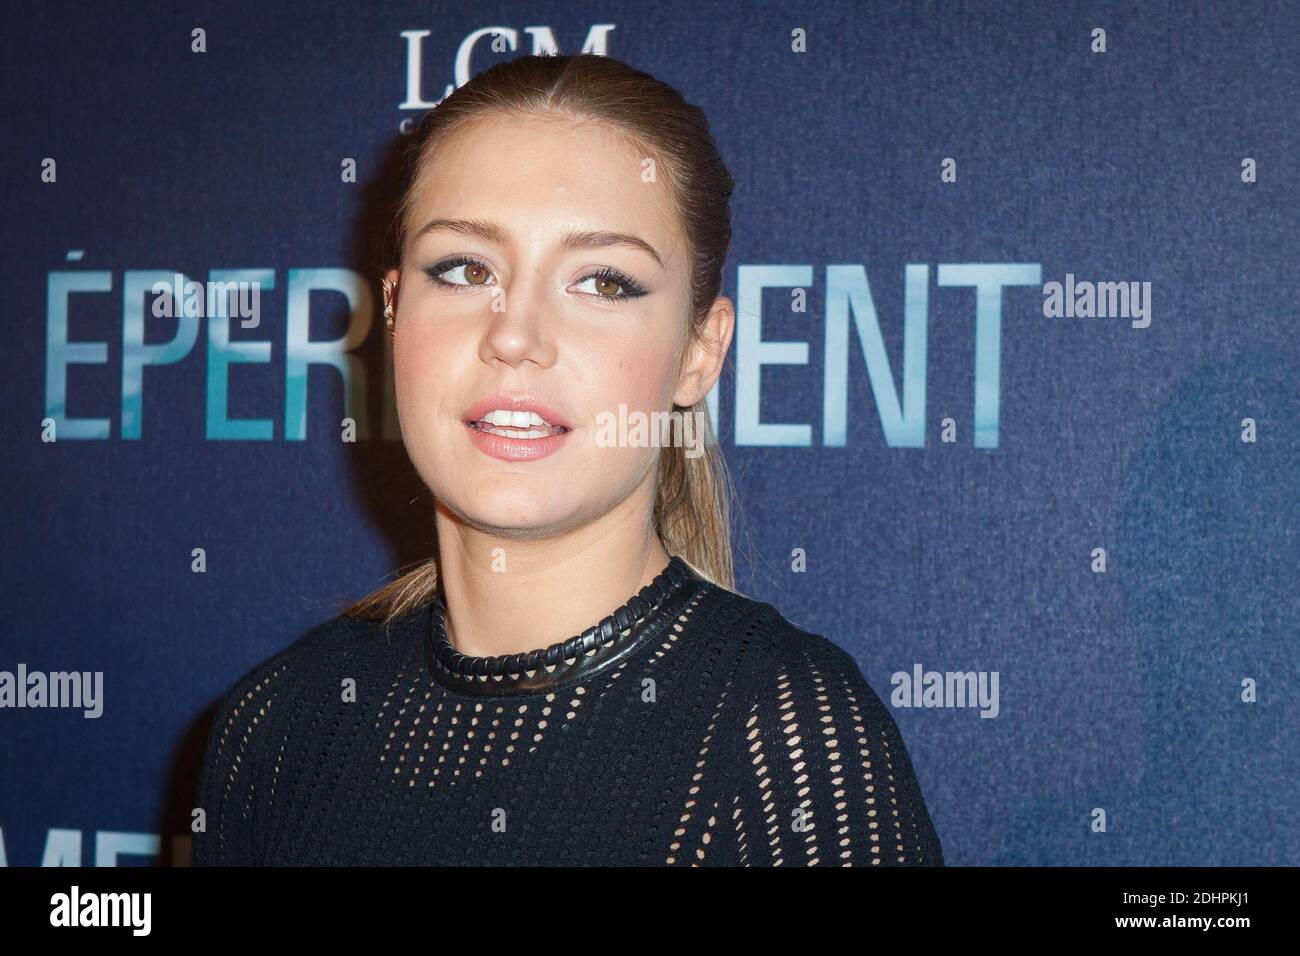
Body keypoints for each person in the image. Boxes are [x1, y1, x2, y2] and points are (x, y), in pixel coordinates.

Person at [193, 52, 943, 867]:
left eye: (603, 283)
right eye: (464, 269)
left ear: (700, 349)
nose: (514, 335)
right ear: (397, 311)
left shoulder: (790, 739)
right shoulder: (277, 725)